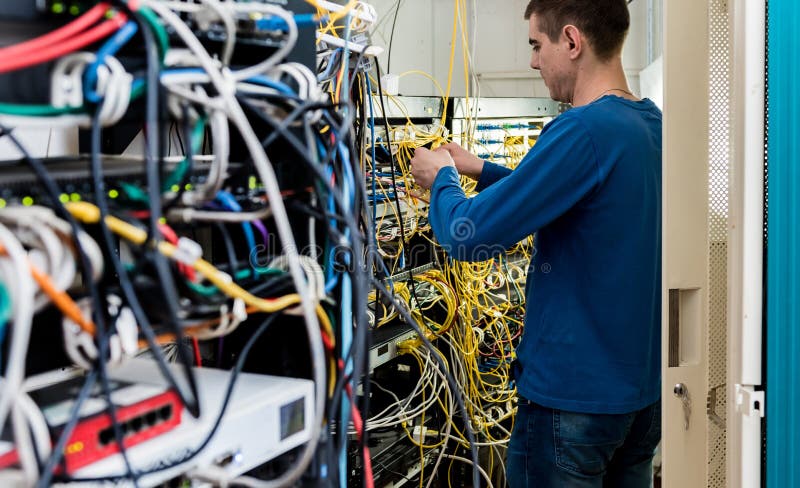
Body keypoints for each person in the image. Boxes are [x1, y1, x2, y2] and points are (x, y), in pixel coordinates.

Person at [409, 0, 662, 486]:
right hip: (638, 401)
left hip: (571, 404)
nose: (531, 61)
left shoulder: (581, 129)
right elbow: (575, 193)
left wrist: (441, 178)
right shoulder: (646, 124)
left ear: (571, 41)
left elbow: (468, 235)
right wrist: (480, 169)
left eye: (535, 44)